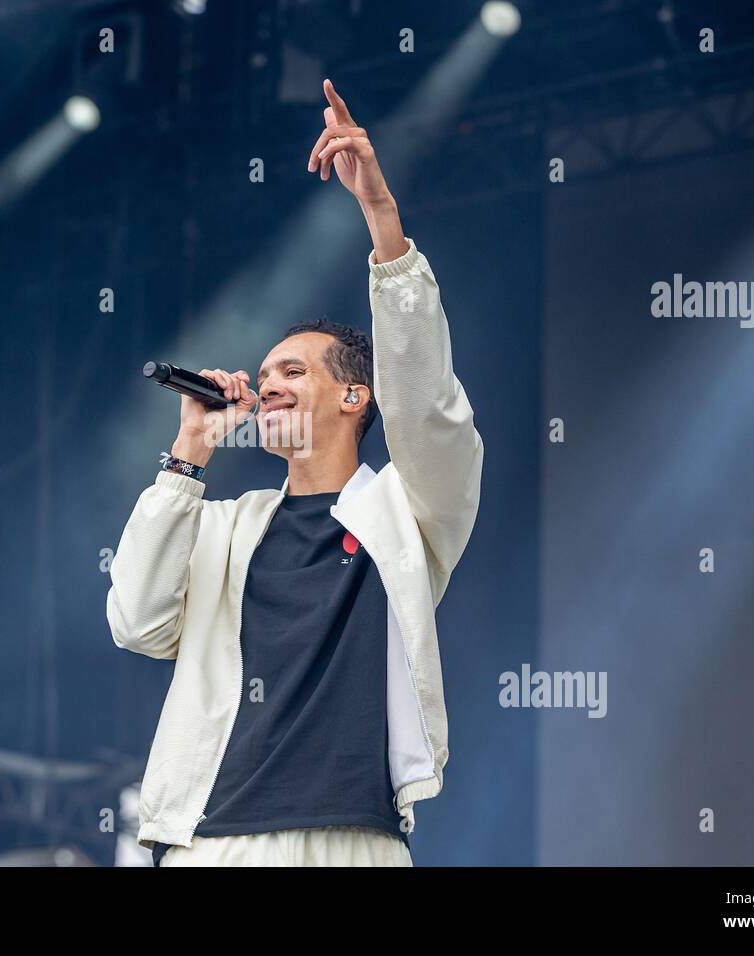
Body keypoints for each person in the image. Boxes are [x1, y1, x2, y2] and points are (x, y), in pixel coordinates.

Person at [107, 78, 484, 867]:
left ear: (354, 395)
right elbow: (137, 622)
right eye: (264, 371)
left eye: (292, 371)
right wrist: (190, 455)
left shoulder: (405, 516)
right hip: (216, 842)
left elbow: (429, 409)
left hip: (355, 843)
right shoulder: (224, 526)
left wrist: (383, 223)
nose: (267, 382)